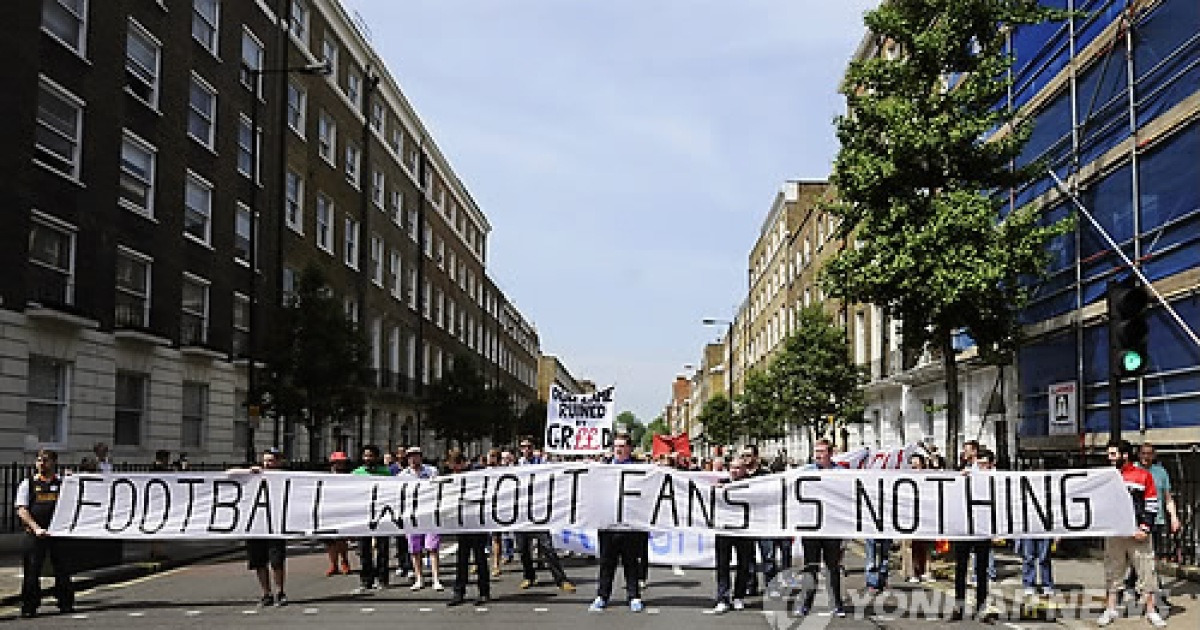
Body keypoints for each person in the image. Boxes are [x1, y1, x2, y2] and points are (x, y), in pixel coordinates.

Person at [1097, 439, 1166, 628]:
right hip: (1115, 533)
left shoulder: (1142, 476)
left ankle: (1151, 611)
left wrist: (1145, 528)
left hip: (1137, 533)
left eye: (1113, 454)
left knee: (1146, 571)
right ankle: (1110, 608)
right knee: (1113, 570)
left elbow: (1152, 503)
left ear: (1124, 455)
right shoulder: (1106, 477)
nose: (1109, 458)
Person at [589, 433, 646, 613]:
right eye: (616, 446)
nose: (619, 449)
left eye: (622, 446)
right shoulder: (603, 469)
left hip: (630, 525)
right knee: (606, 563)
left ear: (629, 448)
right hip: (608, 524)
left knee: (631, 563)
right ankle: (602, 596)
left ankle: (634, 596)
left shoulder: (639, 469)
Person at [514, 437, 577, 593]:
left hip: (539, 512)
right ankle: (529, 576)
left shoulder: (542, 464)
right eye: (523, 447)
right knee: (522, 548)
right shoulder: (516, 466)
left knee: (547, 547)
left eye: (528, 446)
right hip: (522, 513)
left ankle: (561, 579)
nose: (526, 449)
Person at [16, 449, 74, 618]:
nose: (42, 463)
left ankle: (65, 602)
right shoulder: (28, 484)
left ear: (54, 462)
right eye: (39, 460)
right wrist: (35, 528)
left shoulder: (63, 483)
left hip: (58, 533)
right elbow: (22, 510)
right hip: (35, 533)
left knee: (62, 569)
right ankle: (29, 605)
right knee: (32, 570)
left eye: (46, 460)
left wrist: (72, 481)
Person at [228, 447, 289, 607]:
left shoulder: (285, 476)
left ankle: (280, 592)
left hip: (275, 524)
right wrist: (249, 471)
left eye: (271, 460)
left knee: (277, 561)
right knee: (259, 562)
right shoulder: (253, 474)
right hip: (255, 524)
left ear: (278, 462)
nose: (267, 463)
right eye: (265, 460)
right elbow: (229, 474)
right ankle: (266, 593)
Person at [796, 439, 846, 617]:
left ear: (830, 453)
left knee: (833, 567)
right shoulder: (805, 472)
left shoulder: (841, 473)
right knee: (811, 567)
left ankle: (837, 604)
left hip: (832, 528)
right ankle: (806, 604)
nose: (817, 454)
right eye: (816, 451)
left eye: (822, 451)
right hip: (811, 528)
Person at [1128, 442, 1182, 605]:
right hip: (1137, 521)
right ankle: (1145, 590)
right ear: (1138, 454)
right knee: (1137, 558)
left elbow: (1167, 498)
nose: (1146, 456)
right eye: (1143, 453)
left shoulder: (1160, 472)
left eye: (1149, 453)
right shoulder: (1132, 470)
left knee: (1150, 558)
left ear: (1154, 455)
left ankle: (1144, 591)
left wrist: (1174, 517)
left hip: (1156, 520)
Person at [952, 449, 999, 621]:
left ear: (992, 464)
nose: (981, 467)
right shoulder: (966, 475)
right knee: (960, 569)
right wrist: (960, 478)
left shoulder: (996, 479)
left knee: (982, 570)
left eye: (984, 464)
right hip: (964, 528)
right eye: (978, 464)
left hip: (983, 530)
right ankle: (959, 607)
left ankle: (981, 607)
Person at [446, 450, 491, 606]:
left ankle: (484, 592)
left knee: (480, 559)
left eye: (455, 466)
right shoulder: (454, 477)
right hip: (463, 523)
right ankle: (459, 592)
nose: (454, 470)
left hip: (477, 523)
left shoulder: (476, 473)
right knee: (462, 559)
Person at [711, 458, 755, 614]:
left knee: (744, 565)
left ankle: (738, 597)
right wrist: (715, 490)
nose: (734, 471)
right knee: (723, 565)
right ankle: (722, 598)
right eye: (732, 468)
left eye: (738, 468)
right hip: (724, 530)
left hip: (744, 531)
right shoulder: (721, 482)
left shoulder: (754, 484)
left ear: (745, 470)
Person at [399, 446, 444, 591]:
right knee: (414, 548)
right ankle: (419, 578)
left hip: (430, 512)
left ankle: (436, 578)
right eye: (410, 456)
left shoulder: (431, 471)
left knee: (432, 547)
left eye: (416, 456)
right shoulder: (402, 475)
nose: (413, 459)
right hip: (412, 515)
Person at [351, 444, 393, 593]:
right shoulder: (356, 473)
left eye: (370, 455)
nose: (368, 458)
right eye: (365, 456)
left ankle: (382, 578)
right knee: (364, 549)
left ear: (376, 457)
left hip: (381, 514)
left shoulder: (385, 472)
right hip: (364, 515)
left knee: (382, 548)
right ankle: (366, 579)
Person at [901, 452, 933, 584]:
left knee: (925, 543)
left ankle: (926, 570)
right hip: (910, 513)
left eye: (917, 462)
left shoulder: (929, 475)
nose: (914, 465)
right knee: (910, 544)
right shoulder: (904, 477)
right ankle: (912, 572)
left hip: (925, 512)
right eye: (912, 463)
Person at [324, 452, 353, 577]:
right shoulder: (325, 476)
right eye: (336, 462)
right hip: (328, 510)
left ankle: (344, 561)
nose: (339, 465)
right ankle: (333, 564)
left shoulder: (350, 477)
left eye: (341, 462)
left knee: (341, 539)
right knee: (329, 540)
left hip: (343, 510)